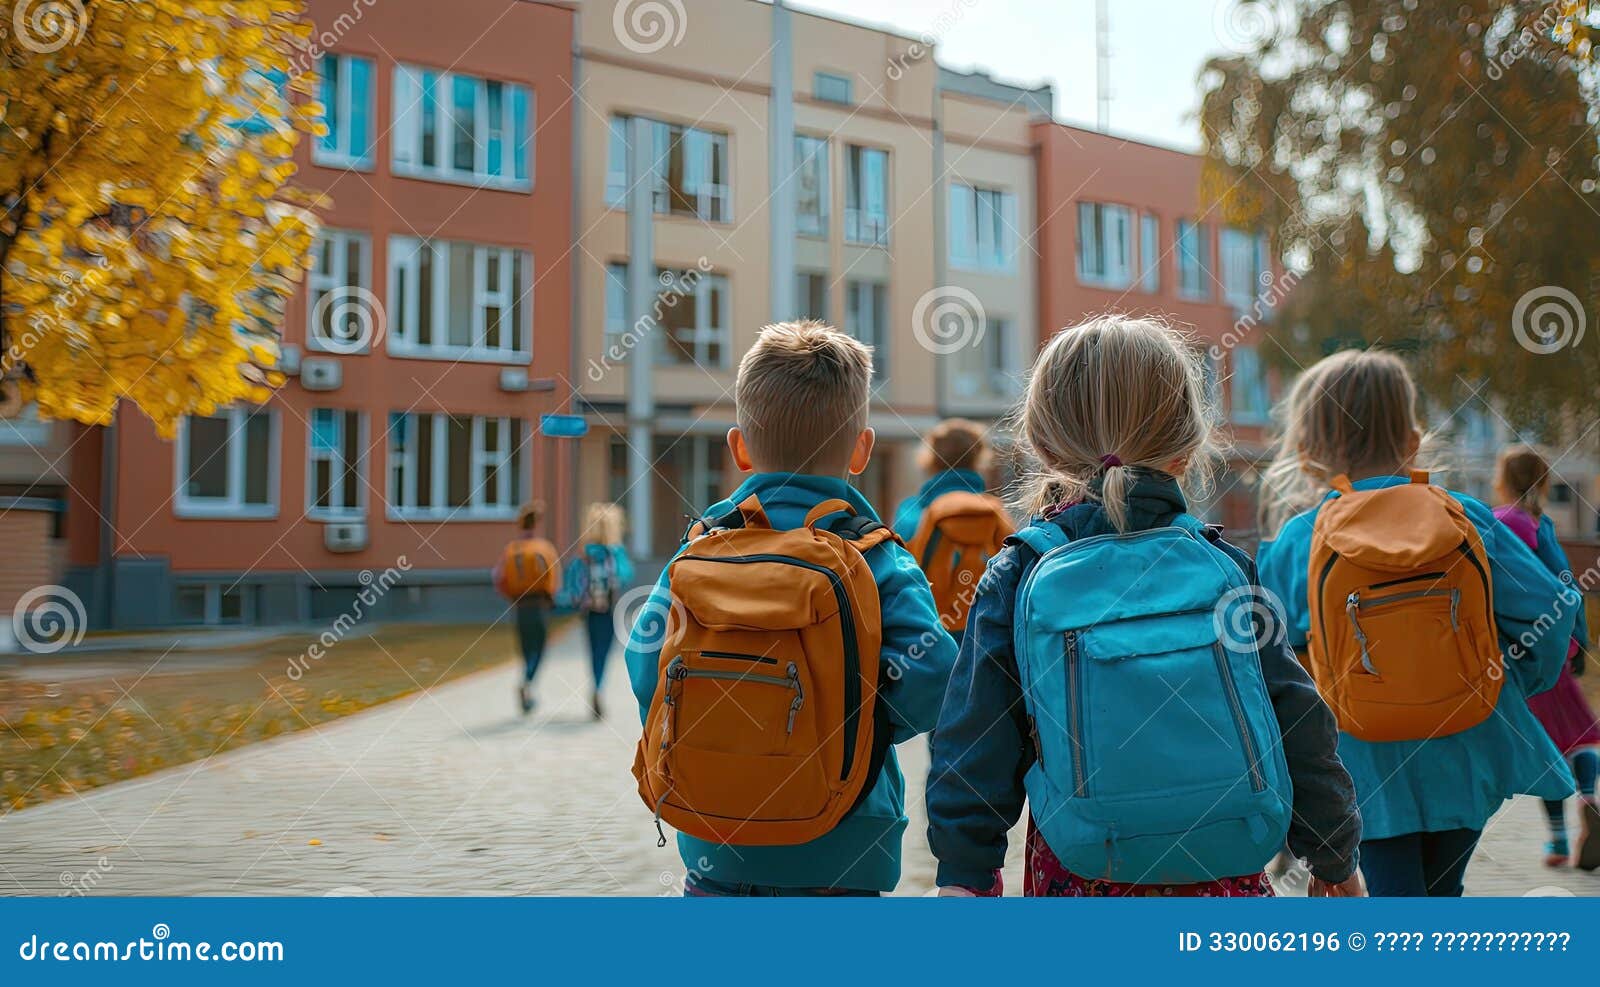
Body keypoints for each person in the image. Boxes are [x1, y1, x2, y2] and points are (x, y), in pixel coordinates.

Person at [927, 315, 1363, 897]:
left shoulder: (1021, 572)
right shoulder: (1225, 568)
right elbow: (1299, 721)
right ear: (1185, 451)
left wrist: (964, 873)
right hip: (1220, 867)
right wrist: (1335, 858)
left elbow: (974, 740)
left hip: (1082, 871)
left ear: (1042, 445)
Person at [623, 321, 958, 896]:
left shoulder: (703, 547)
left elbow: (643, 661)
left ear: (740, 447)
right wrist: (848, 724)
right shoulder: (876, 560)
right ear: (861, 449)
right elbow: (934, 681)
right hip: (844, 848)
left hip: (714, 844)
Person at [1257, 349, 1578, 896]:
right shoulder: (1465, 517)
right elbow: (1553, 611)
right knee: (1441, 895)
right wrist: (1508, 682)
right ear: (1412, 439)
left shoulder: (1299, 540)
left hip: (1361, 765)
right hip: (1467, 744)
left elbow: (1269, 666)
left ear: (1308, 453)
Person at [1492, 444, 1600, 871]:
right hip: (1557, 646)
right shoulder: (1542, 523)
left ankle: (1557, 841)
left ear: (1503, 481)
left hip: (1523, 655)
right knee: (1578, 735)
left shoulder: (1499, 523)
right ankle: (1590, 798)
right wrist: (1580, 641)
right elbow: (1566, 580)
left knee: (1544, 744)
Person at [894, 418, 1013, 634]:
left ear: (929, 460)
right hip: (983, 635)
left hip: (926, 636)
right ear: (979, 461)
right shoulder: (996, 514)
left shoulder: (910, 515)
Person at [561, 502, 632, 721]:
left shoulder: (584, 555)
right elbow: (626, 574)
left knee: (593, 652)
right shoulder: (615, 553)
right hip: (609, 610)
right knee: (604, 651)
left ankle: (596, 685)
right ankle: (599, 687)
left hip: (590, 612)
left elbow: (571, 581)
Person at [492, 501, 561, 715]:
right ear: (537, 523)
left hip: (519, 604)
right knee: (539, 648)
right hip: (539, 604)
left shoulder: (511, 550)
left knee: (525, 647)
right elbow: (552, 577)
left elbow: (499, 577)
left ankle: (527, 683)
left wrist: (510, 596)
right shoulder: (544, 548)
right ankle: (528, 681)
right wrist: (552, 598)